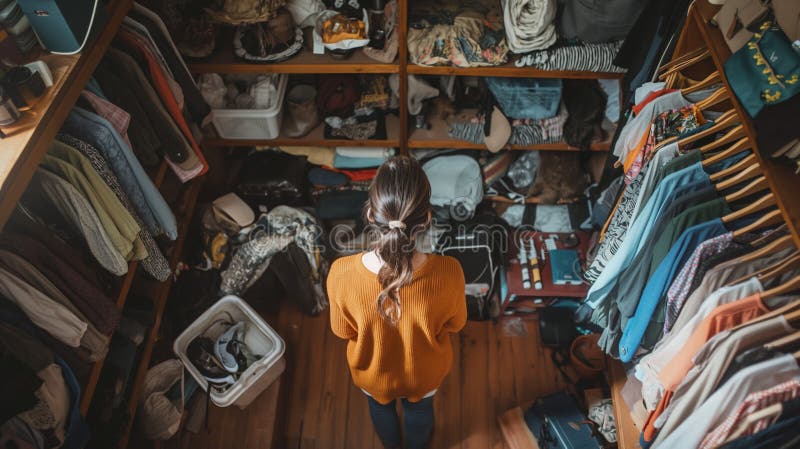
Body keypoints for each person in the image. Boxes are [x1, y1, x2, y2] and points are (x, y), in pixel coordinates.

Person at [327, 156, 468, 449]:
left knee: (380, 410)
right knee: (420, 414)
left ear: (370, 215)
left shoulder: (340, 274)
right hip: (424, 376)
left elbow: (343, 332)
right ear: (427, 218)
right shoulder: (450, 271)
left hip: (372, 374)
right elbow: (456, 324)